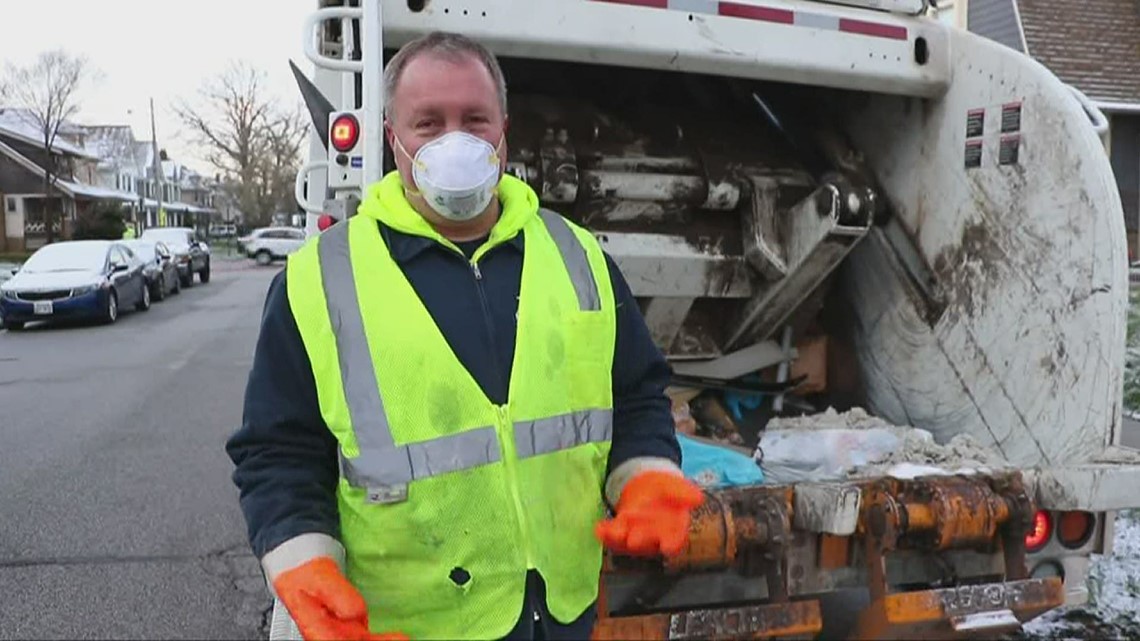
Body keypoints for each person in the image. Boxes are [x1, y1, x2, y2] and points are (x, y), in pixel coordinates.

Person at [225, 30, 703, 641]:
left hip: (560, 615)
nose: (454, 141)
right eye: (428, 123)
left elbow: (634, 394)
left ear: (504, 131)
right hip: (407, 627)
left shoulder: (577, 256)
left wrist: (647, 475)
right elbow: (278, 451)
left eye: (474, 120)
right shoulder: (318, 280)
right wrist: (301, 560)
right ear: (393, 138)